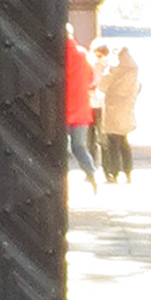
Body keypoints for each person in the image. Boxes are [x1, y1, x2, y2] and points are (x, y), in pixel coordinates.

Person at [64, 25, 100, 187]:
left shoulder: (56, 54)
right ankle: (90, 172)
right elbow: (92, 80)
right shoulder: (83, 55)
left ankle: (61, 178)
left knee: (59, 147)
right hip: (81, 109)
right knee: (79, 146)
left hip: (62, 109)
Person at [99, 39, 140, 184]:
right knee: (123, 142)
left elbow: (102, 86)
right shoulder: (134, 75)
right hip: (126, 113)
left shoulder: (116, 72)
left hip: (113, 110)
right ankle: (128, 171)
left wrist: (107, 71)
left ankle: (114, 172)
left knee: (113, 144)